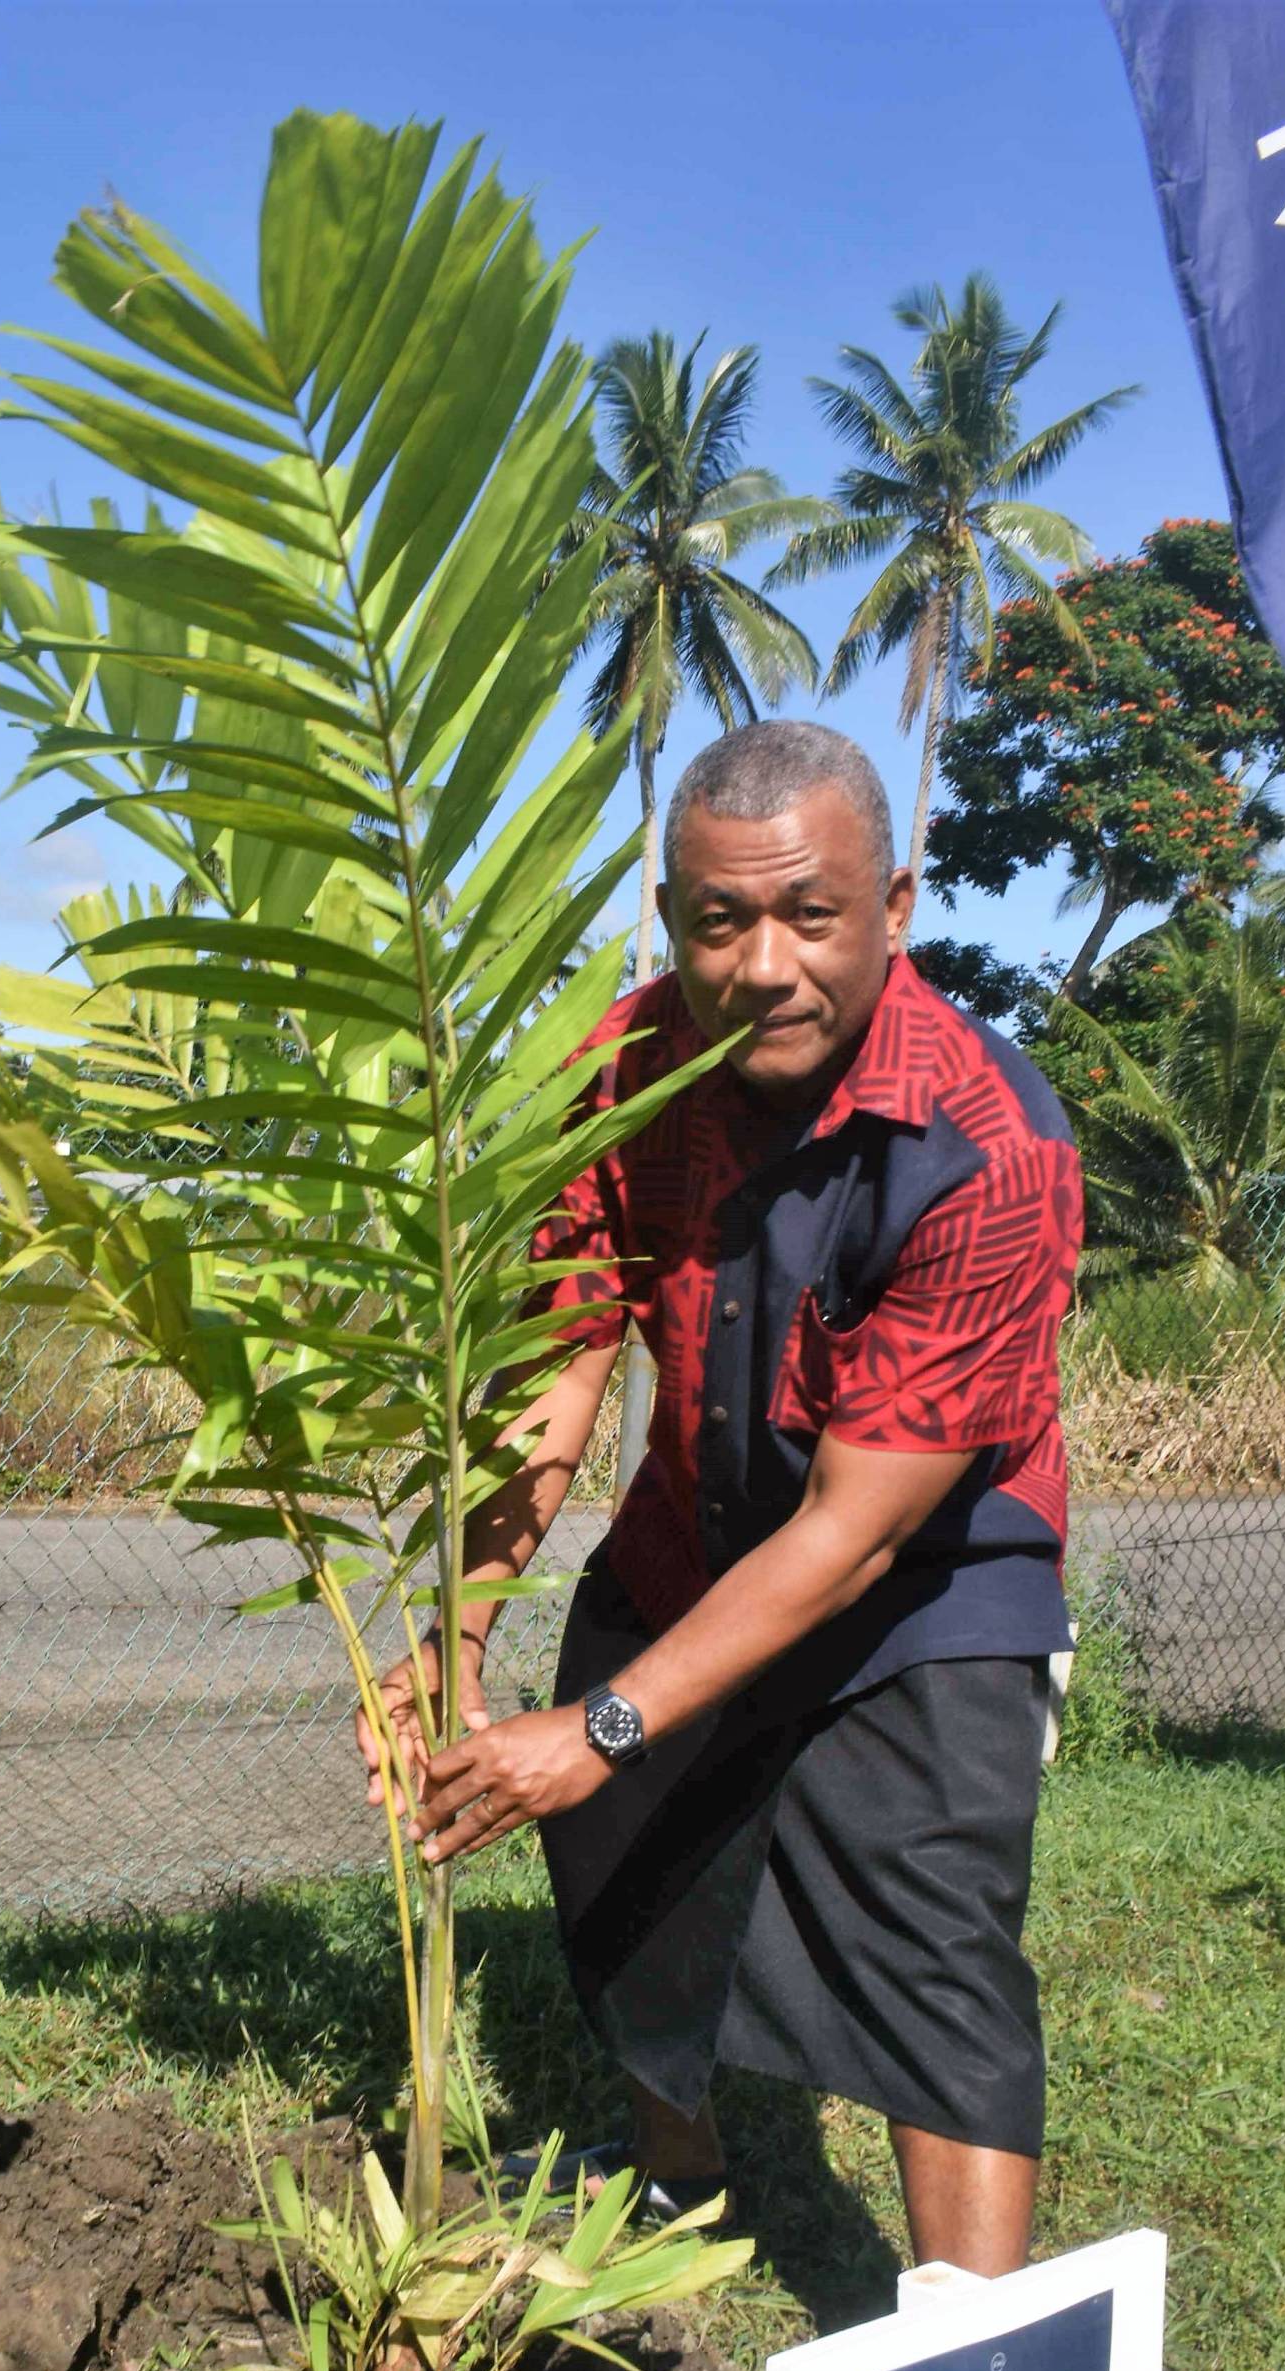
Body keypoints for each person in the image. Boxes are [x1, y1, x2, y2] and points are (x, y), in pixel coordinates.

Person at [355, 720, 1082, 2281]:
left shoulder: (989, 1148)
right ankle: (675, 2180)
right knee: (629, 1857)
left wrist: (602, 1724)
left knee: (931, 1933)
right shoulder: (623, 1070)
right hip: (694, 1529)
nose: (763, 967)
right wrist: (454, 1637)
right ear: (671, 920)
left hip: (928, 1579)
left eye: (811, 916)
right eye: (719, 922)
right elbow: (555, 1373)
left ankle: (978, 2349)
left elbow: (856, 1534)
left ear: (894, 905)